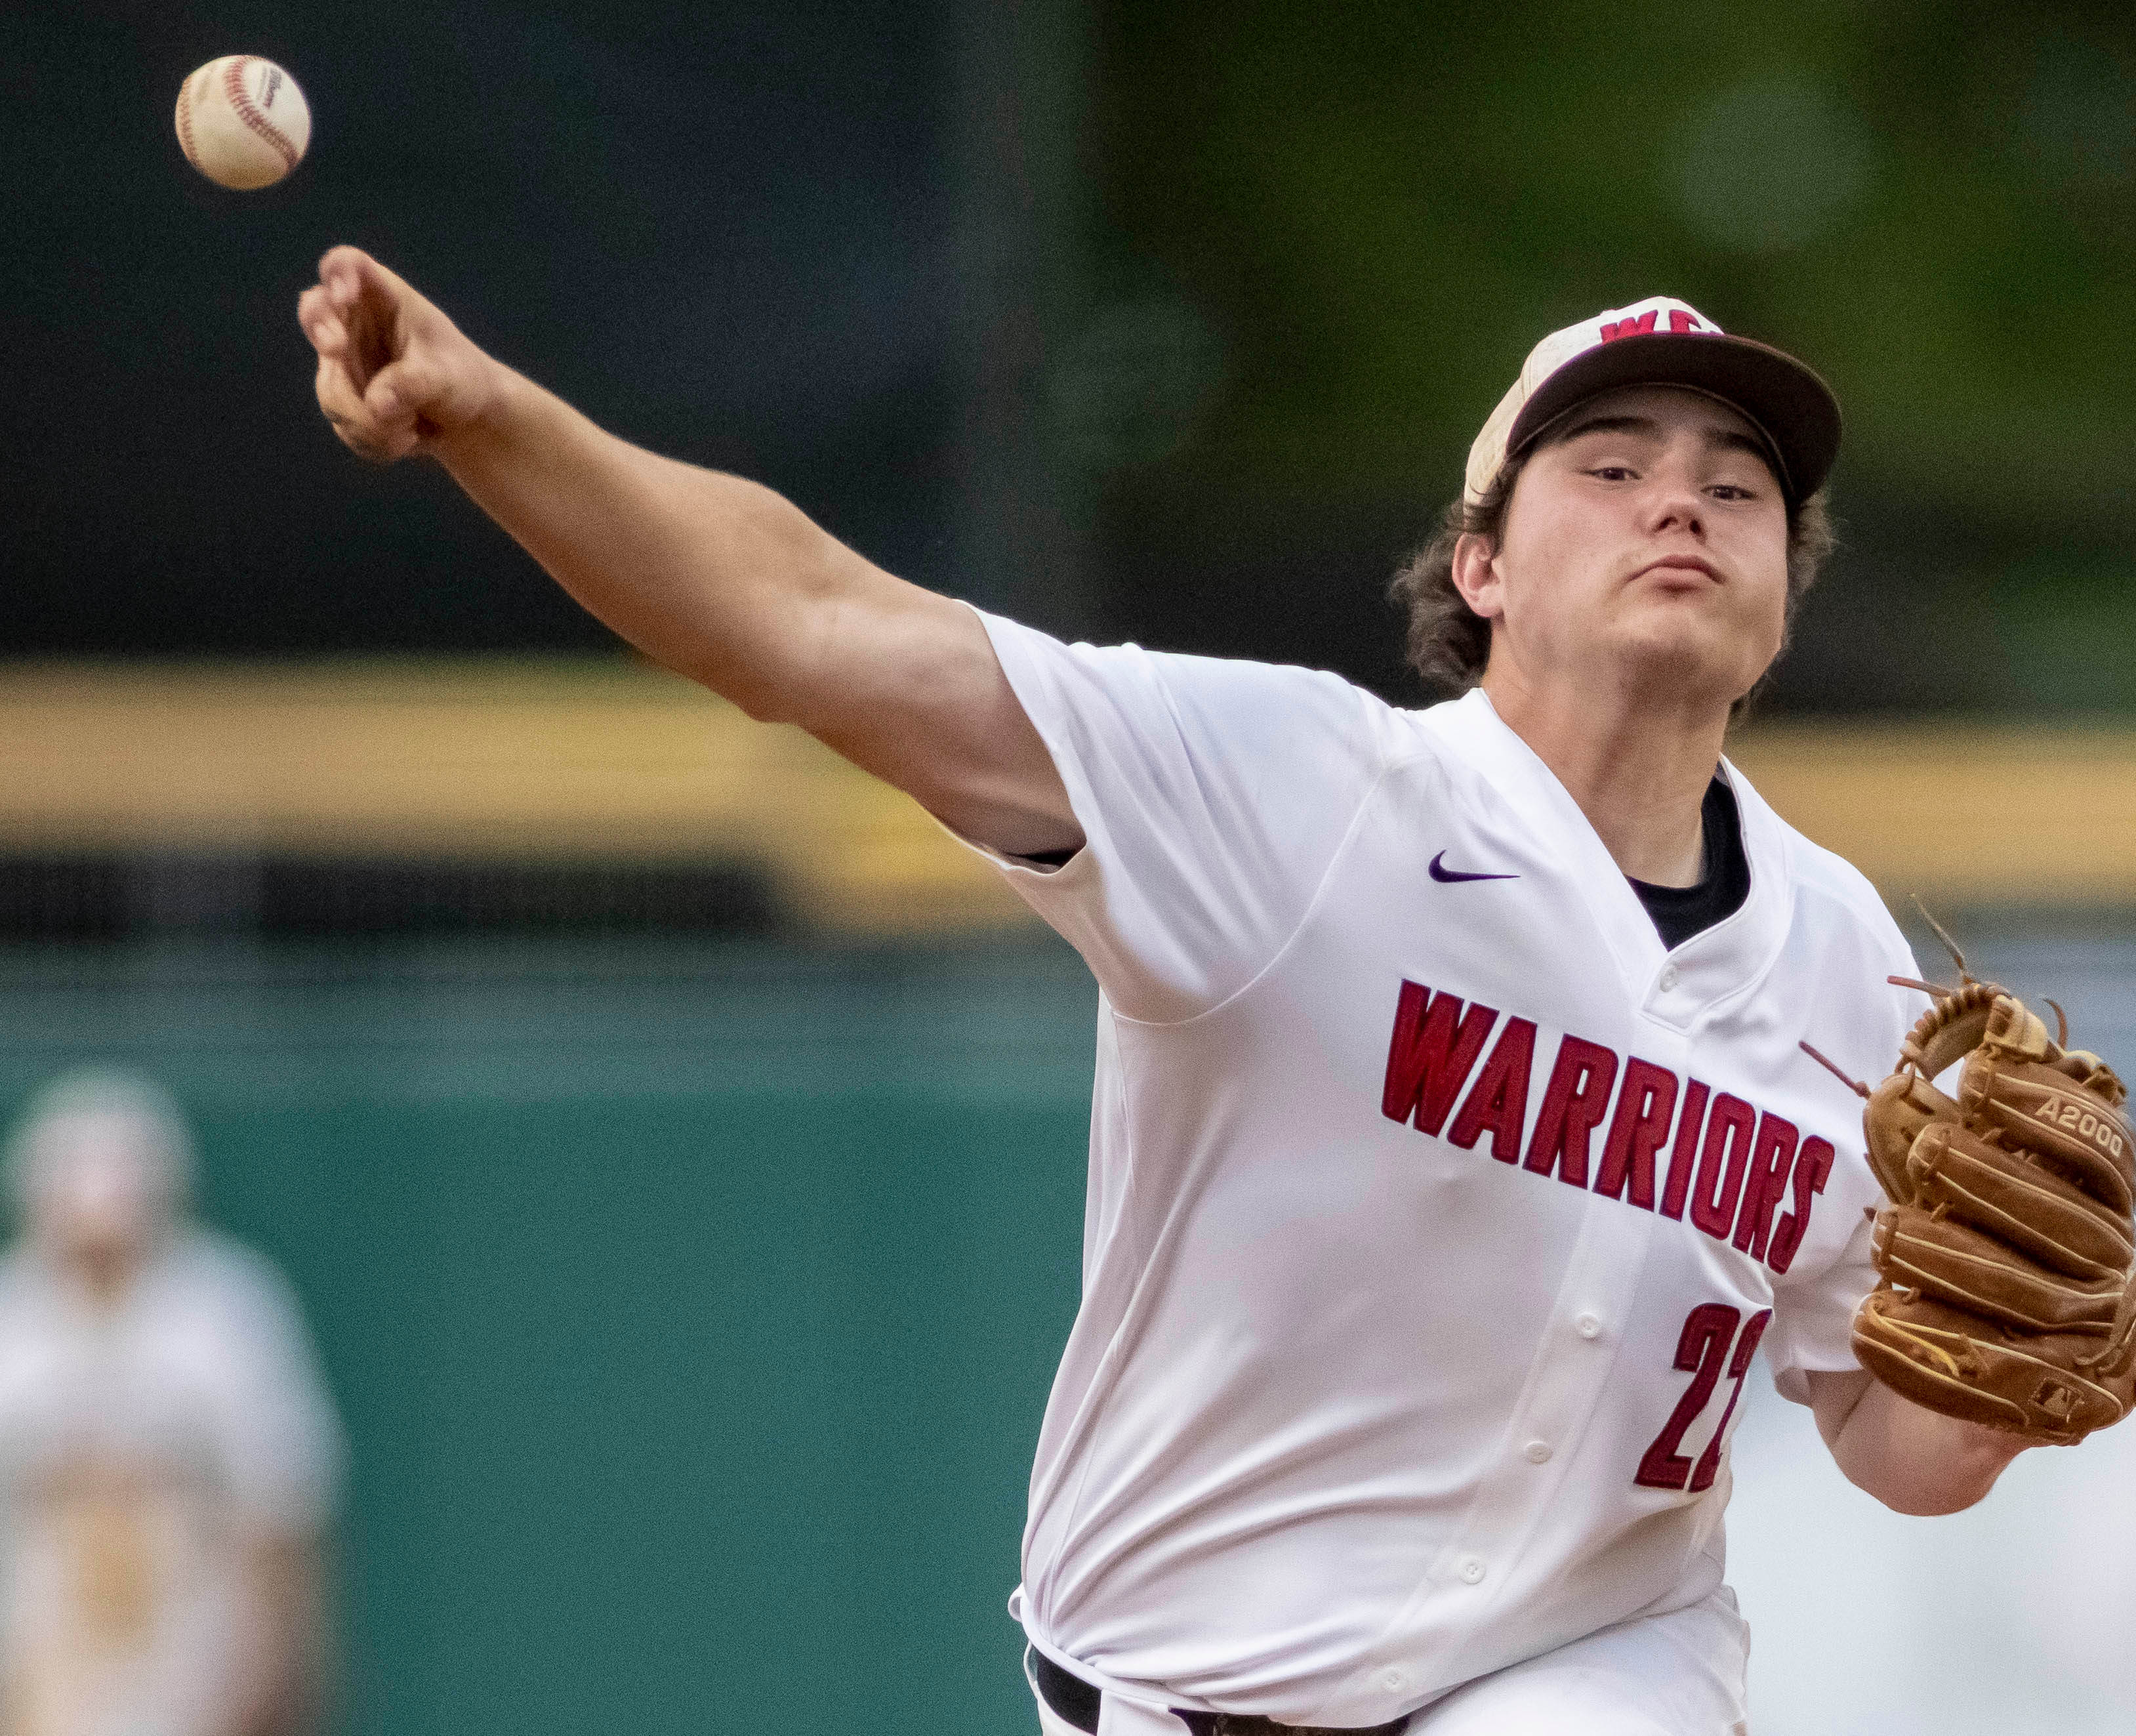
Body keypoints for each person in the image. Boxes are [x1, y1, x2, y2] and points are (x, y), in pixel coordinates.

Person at [298, 250, 2030, 1735]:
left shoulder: (1856, 967)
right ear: (1479, 567)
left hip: (1595, 1659)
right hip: (1177, 1677)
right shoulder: (1297, 794)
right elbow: (808, 624)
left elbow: (1897, 1447)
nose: (1683, 499)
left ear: (1780, 593)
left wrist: (2001, 1376)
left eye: (1739, 488)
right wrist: (494, 419)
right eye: (1609, 461)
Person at [0, 1072, 341, 1736]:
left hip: (197, 1660)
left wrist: (279, 1668)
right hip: (41, 1661)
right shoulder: (12, 1323)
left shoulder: (227, 1313)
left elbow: (284, 1510)